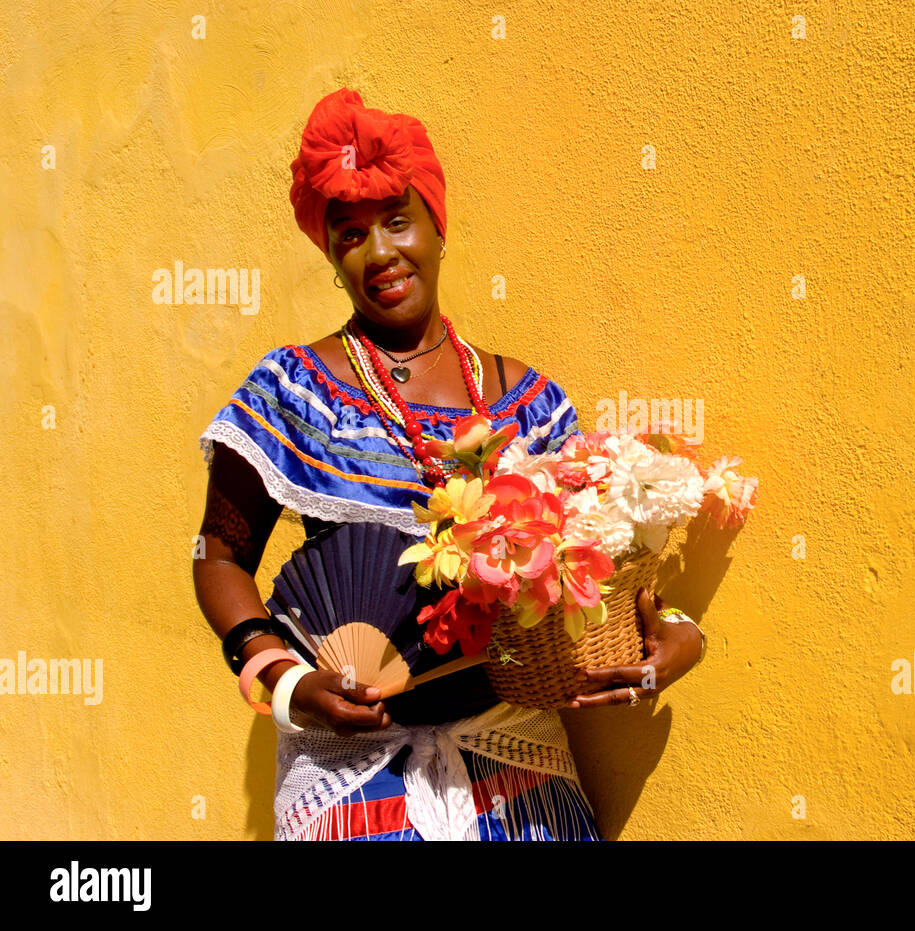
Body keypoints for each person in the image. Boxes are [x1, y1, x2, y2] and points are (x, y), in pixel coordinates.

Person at [192, 88, 704, 840]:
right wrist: (285, 680)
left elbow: (591, 563)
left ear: (437, 226)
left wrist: (679, 633)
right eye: (350, 235)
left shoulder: (526, 400)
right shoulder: (294, 388)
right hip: (354, 782)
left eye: (397, 221)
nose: (380, 254)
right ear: (331, 257)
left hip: (522, 775)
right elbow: (220, 554)